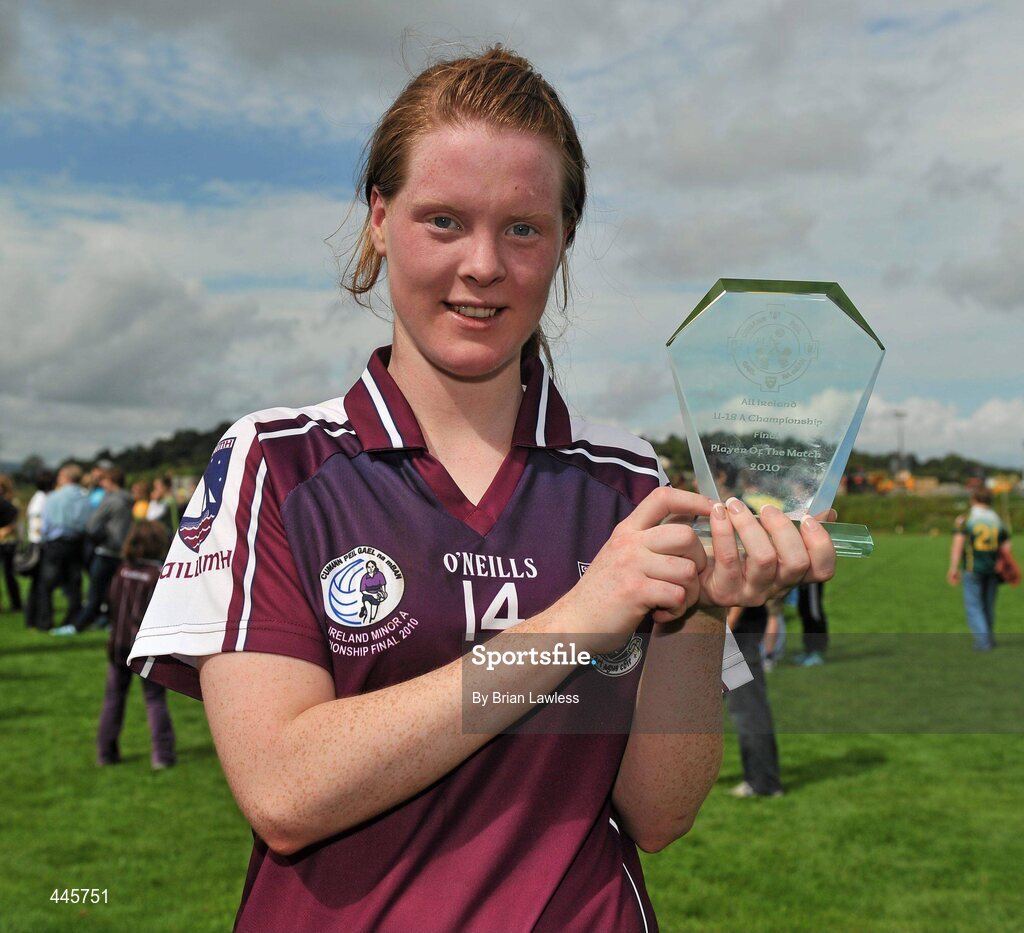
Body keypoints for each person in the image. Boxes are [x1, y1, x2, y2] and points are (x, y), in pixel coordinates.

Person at [128, 46, 835, 933]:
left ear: (564, 240)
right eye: (444, 221)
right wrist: (576, 618)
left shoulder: (627, 479)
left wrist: (701, 613)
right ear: (380, 219)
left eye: (524, 228)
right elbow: (284, 788)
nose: (484, 265)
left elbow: (658, 814)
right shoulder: (278, 461)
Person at [97, 521, 175, 768]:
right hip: (145, 648)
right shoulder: (157, 576)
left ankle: (105, 753)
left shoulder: (121, 570)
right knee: (154, 699)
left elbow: (109, 604)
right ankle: (162, 756)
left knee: (114, 698)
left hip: (118, 644)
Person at [54, 467, 134, 636]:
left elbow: (91, 525)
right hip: (122, 551)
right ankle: (109, 622)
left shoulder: (111, 501)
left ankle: (76, 626)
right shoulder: (128, 499)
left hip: (106, 550)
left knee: (94, 595)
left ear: (110, 481)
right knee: (116, 593)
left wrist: (98, 536)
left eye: (104, 480)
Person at [724, 603, 783, 797]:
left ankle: (763, 783)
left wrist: (727, 626)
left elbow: (740, 585)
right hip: (729, 633)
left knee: (748, 709)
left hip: (734, 637)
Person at [948, 488, 1012, 650]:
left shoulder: (966, 519)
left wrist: (953, 568)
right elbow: (1006, 544)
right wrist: (1002, 562)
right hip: (993, 568)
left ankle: (984, 641)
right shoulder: (996, 519)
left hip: (972, 568)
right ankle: (989, 637)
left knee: (974, 606)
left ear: (973, 499)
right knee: (988, 605)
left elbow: (958, 545)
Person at [38, 463, 91, 632]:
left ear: (66, 477)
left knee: (46, 584)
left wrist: (45, 539)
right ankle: (72, 618)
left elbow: (46, 524)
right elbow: (87, 523)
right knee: (74, 582)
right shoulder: (84, 497)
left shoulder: (53, 497)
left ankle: (46, 620)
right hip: (76, 542)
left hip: (55, 543)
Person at [23, 468, 55, 630]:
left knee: (37, 584)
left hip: (36, 543)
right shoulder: (42, 500)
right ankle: (41, 619)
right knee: (42, 583)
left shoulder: (38, 498)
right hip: (40, 545)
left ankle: (32, 618)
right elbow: (37, 525)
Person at [792, 580, 829, 666]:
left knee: (813, 611)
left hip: (812, 579)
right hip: (803, 579)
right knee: (803, 609)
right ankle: (809, 649)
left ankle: (817, 651)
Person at [0, 474, 21, 613]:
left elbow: (15, 522)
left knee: (9, 575)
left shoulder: (13, 502)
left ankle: (16, 603)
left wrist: (5, 531)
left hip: (8, 542)